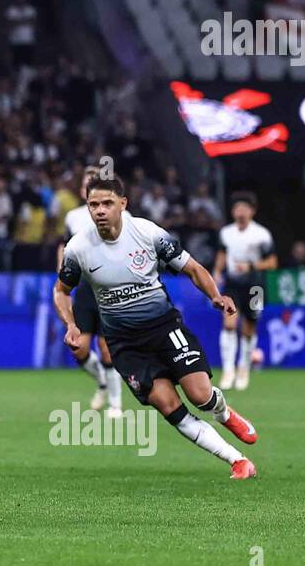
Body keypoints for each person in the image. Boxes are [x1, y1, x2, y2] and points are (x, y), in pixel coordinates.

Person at [54, 177, 259, 479]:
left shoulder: (148, 233)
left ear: (123, 204)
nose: (99, 210)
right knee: (168, 405)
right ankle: (238, 460)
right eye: (93, 204)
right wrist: (71, 324)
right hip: (125, 344)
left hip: (163, 328)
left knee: (200, 395)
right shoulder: (79, 247)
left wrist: (215, 296)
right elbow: (61, 290)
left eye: (107, 203)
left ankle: (225, 414)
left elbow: (192, 268)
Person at [57, 166, 122, 417]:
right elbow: (63, 245)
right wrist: (61, 268)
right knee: (79, 348)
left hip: (108, 286)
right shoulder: (73, 217)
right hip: (84, 287)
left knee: (106, 347)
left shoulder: (115, 213)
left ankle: (115, 404)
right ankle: (103, 382)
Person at [213, 192, 276, 390]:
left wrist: (251, 266)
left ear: (252, 211)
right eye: (237, 208)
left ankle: (244, 368)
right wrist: (217, 271)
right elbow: (222, 253)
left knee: (249, 328)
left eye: (244, 208)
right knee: (229, 324)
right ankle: (228, 369)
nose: (240, 212)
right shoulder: (226, 233)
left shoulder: (262, 234)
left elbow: (272, 262)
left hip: (255, 286)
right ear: (232, 211)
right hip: (232, 283)